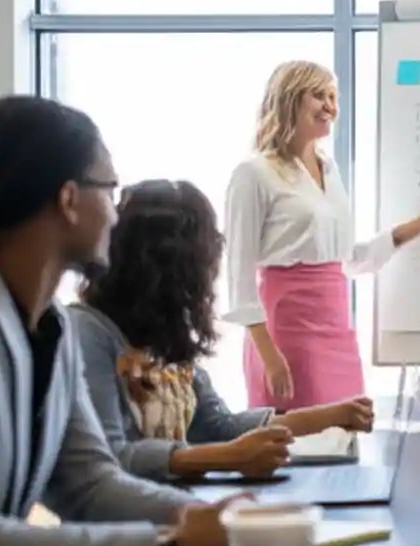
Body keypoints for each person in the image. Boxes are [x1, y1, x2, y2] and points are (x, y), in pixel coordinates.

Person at [0, 95, 237, 546]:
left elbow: (88, 483)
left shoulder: (53, 326)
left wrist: (209, 517)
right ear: (69, 199)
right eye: (110, 189)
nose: (118, 216)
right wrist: (169, 544)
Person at [71, 180, 377, 484]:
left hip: (171, 511)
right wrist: (229, 457)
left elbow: (218, 426)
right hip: (124, 526)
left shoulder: (165, 339)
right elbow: (111, 456)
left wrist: (332, 416)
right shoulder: (88, 334)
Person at [225, 60, 420, 411]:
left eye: (333, 96)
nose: (330, 105)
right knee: (301, 441)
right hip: (286, 333)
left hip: (337, 328)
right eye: (318, 95)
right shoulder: (254, 173)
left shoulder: (329, 170)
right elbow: (239, 279)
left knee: (348, 429)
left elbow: (348, 259)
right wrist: (268, 355)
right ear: (289, 100)